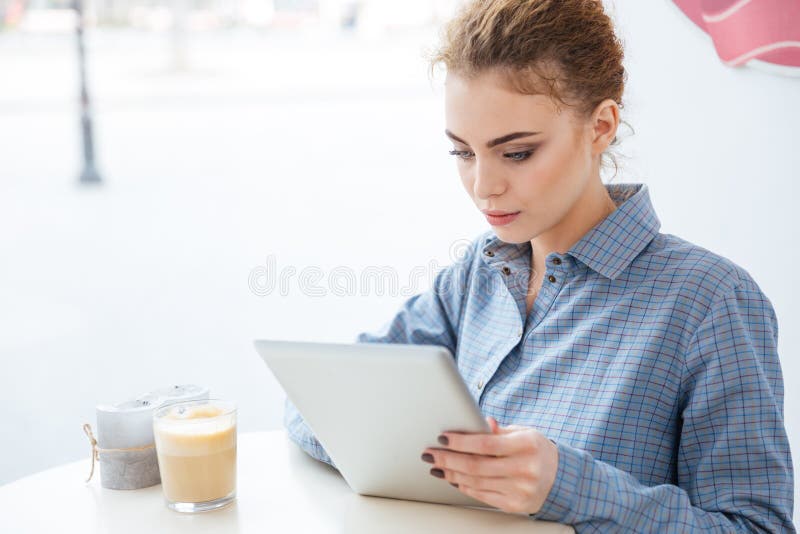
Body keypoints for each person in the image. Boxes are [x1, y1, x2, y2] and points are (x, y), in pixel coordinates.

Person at [284, 0, 795, 531]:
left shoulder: (708, 301)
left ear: (601, 126)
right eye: (463, 153)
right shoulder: (475, 278)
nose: (484, 186)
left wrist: (566, 487)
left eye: (518, 153)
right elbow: (316, 402)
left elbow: (758, 526)